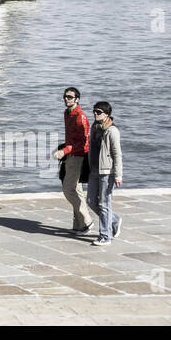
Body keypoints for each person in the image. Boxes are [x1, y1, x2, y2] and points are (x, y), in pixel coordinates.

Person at [52, 87, 93, 234]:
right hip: (70, 154)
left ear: (77, 99)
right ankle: (79, 225)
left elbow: (83, 142)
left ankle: (87, 220)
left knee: (68, 189)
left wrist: (64, 151)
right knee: (77, 190)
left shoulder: (81, 117)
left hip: (78, 156)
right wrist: (64, 150)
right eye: (65, 96)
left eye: (70, 97)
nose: (66, 99)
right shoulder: (67, 113)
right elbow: (71, 138)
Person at [86, 101, 124, 246]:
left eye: (99, 112)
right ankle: (114, 220)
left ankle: (105, 235)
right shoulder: (95, 127)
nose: (95, 114)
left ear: (107, 114)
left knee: (104, 203)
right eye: (94, 111)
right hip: (94, 169)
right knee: (90, 201)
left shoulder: (112, 131)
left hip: (107, 172)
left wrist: (118, 175)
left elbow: (117, 154)